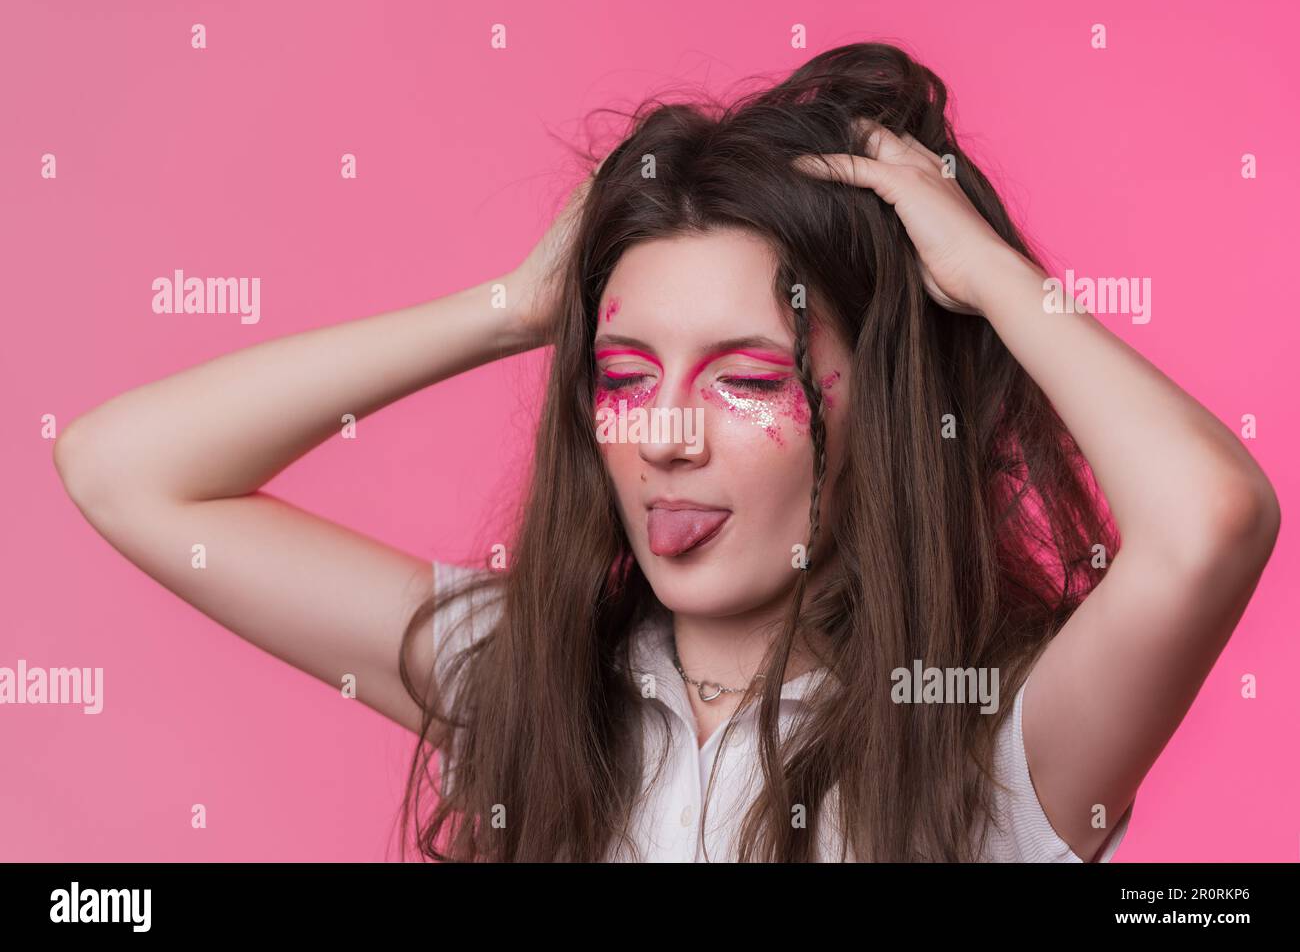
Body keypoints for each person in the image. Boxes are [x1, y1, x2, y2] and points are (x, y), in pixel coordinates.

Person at [54, 42, 1280, 862]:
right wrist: (512, 309)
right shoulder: (527, 675)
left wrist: (990, 283)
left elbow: (1210, 521)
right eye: (625, 375)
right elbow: (127, 468)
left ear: (886, 409)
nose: (664, 436)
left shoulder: (994, 740)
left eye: (748, 378)